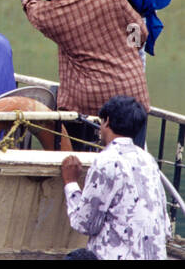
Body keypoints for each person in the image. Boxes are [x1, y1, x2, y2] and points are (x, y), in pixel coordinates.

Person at [13, 0, 150, 145]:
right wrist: (127, 48)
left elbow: (33, 10)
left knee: (83, 167)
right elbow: (140, 32)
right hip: (134, 97)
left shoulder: (51, 16)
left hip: (91, 109)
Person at [61, 96, 168, 259]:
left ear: (106, 121)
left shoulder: (106, 161)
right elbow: (165, 225)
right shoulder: (148, 160)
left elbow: (85, 224)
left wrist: (71, 183)